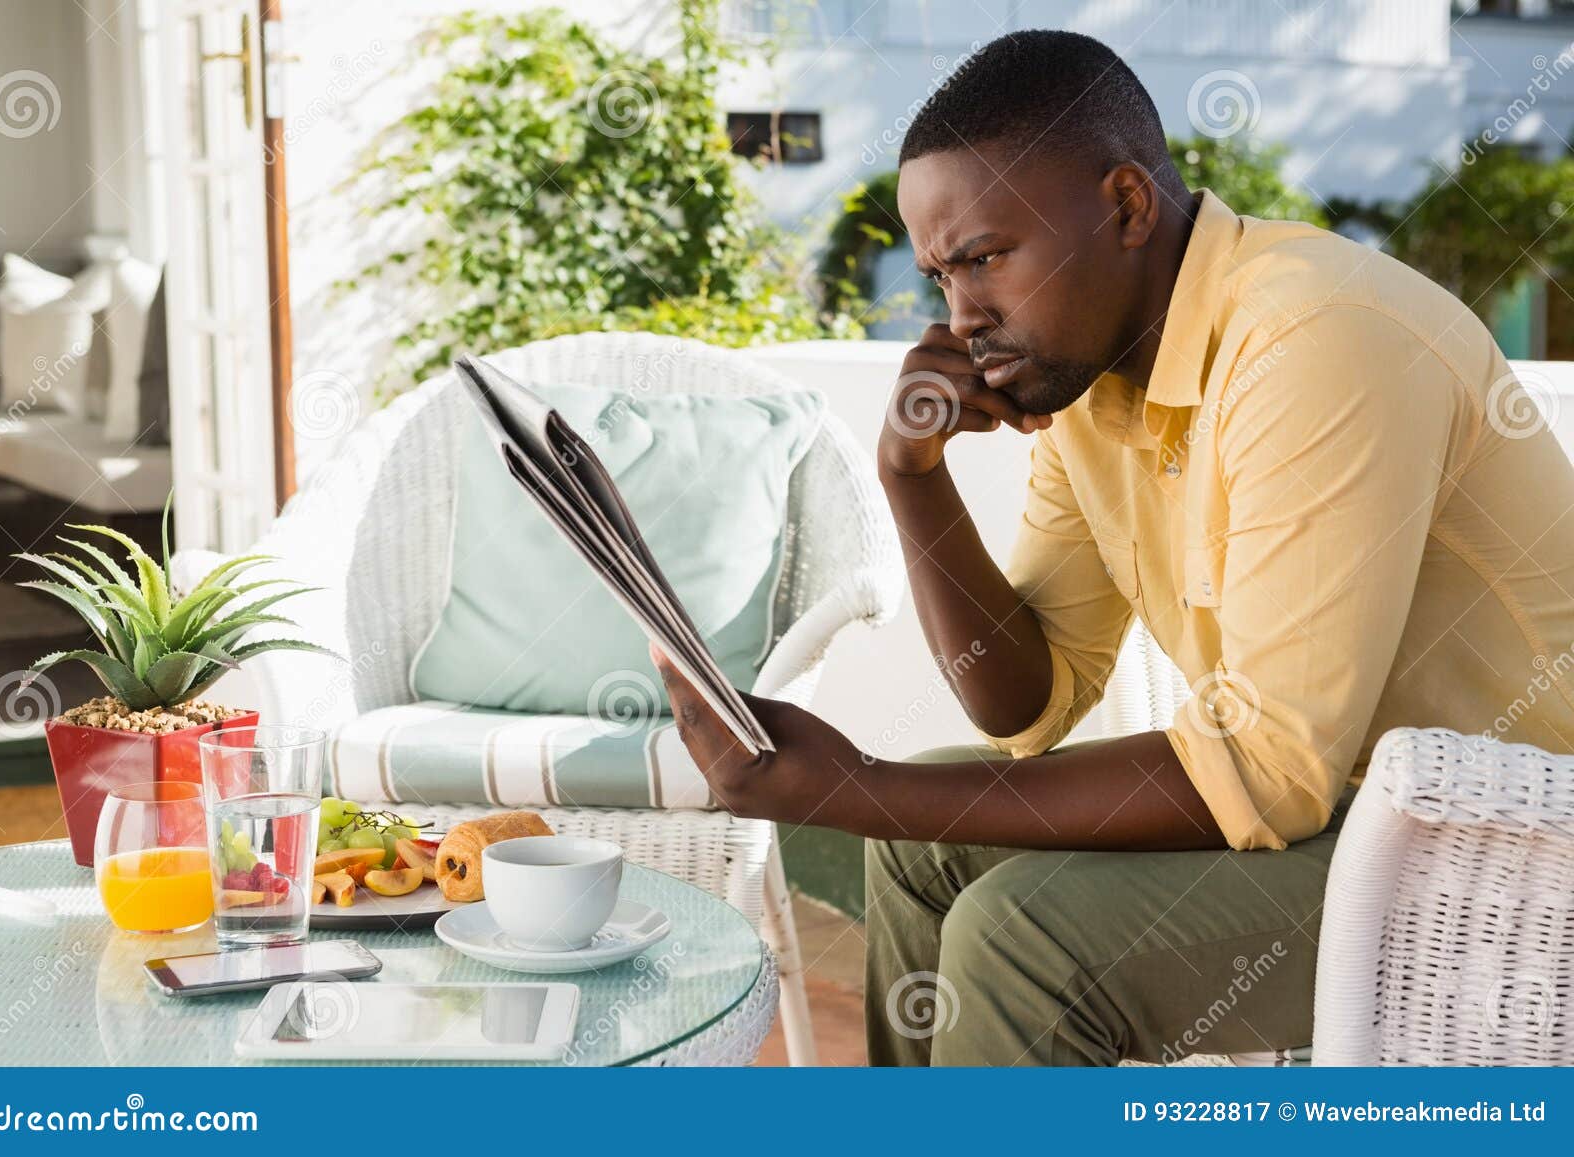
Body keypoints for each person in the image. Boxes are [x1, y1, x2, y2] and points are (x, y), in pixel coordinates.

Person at [650, 29, 1574, 1065]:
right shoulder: (1094, 380)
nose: (963, 318)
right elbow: (1026, 703)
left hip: (1510, 844)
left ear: (1127, 206)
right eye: (941, 277)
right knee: (917, 850)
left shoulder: (1317, 334)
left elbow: (1267, 774)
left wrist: (851, 786)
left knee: (1022, 938)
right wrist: (914, 477)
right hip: (1345, 811)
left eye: (987, 258)